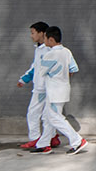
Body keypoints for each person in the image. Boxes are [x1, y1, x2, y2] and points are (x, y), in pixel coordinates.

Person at [34, 26, 87, 155]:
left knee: (54, 118)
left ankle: (77, 140)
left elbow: (41, 72)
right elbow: (73, 69)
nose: (44, 40)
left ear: (51, 40)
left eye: (45, 37)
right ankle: (43, 144)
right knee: (48, 117)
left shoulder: (50, 54)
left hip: (53, 92)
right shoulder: (66, 52)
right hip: (63, 89)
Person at [16, 21, 58, 151]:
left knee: (35, 113)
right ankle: (52, 137)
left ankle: (36, 138)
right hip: (42, 87)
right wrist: (24, 79)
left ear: (42, 33)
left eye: (33, 32)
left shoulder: (48, 49)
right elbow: (35, 67)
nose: (31, 36)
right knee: (47, 114)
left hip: (44, 88)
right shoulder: (39, 49)